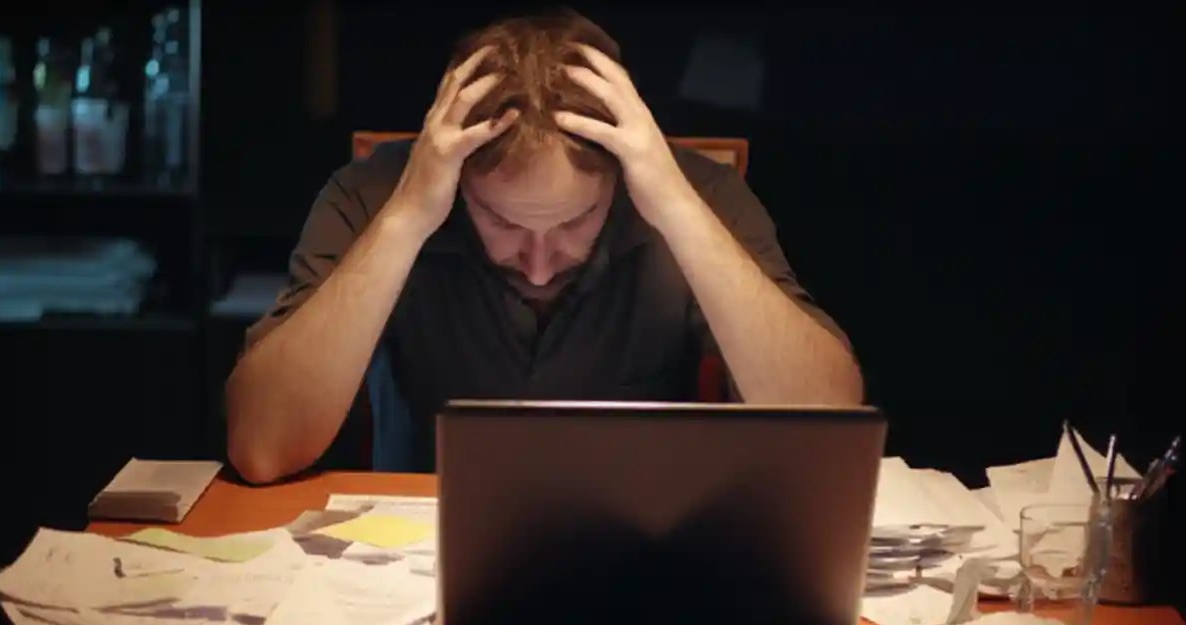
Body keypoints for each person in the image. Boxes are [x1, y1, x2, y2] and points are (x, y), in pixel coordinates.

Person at [225, 10, 863, 484]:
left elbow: (828, 418)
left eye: (574, 223)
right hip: (414, 546)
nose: (536, 263)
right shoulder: (378, 196)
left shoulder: (691, 195)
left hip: (652, 545)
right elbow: (262, 447)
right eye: (500, 222)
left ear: (619, 178)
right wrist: (407, 217)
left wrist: (675, 205)